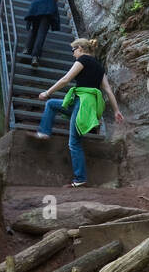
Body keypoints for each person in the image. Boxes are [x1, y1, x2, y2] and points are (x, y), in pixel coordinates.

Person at [34, 38, 126, 187]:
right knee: (51, 105)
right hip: (82, 104)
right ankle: (44, 132)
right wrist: (116, 110)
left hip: (83, 104)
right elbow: (108, 90)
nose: (73, 54)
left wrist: (47, 92)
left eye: (73, 50)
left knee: (74, 142)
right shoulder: (99, 67)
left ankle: (80, 179)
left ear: (81, 48)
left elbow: (66, 79)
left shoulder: (83, 59)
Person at [5, 0, 61, 68]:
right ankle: (35, 56)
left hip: (36, 5)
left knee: (34, 29)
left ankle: (26, 49)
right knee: (42, 32)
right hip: (47, 6)